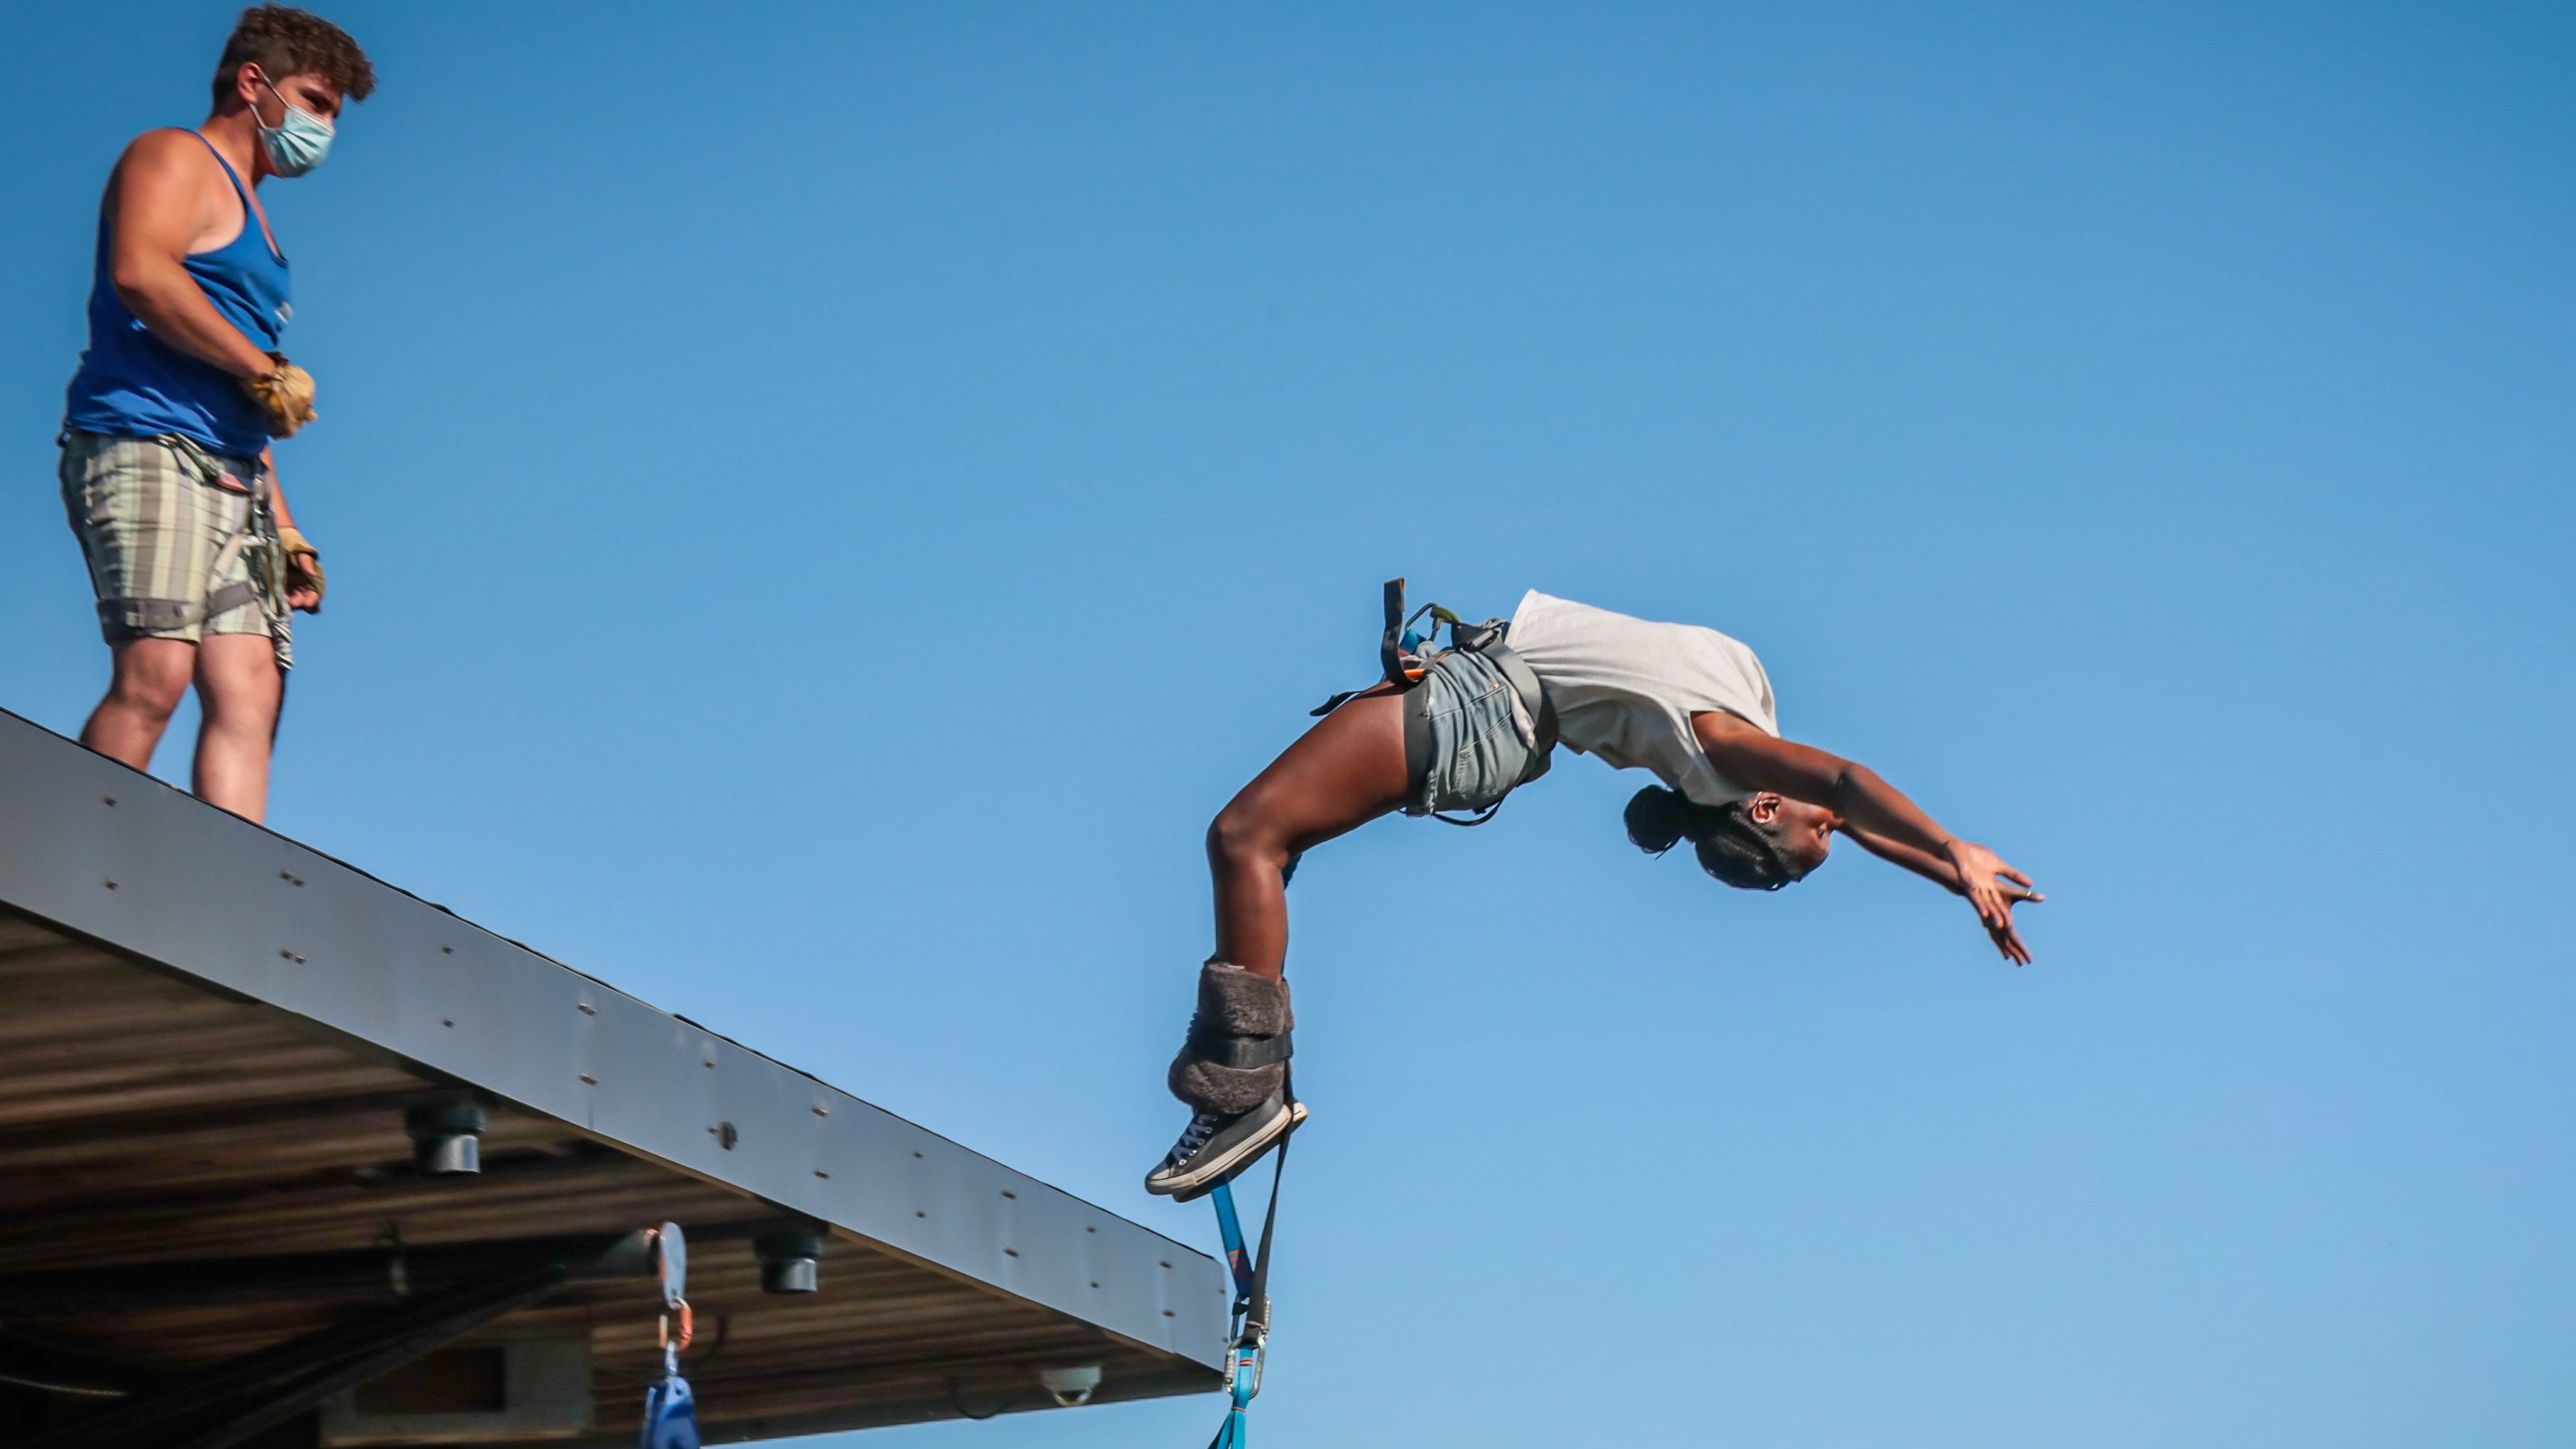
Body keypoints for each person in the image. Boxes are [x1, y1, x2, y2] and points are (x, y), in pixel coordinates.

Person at [1146, 587, 2043, 1198]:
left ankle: (1242, 1090)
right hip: (1485, 701)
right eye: (1830, 838)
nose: (1837, 829)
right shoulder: (1745, 732)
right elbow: (1859, 814)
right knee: (1266, 843)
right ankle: (1247, 1070)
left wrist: (1949, 844)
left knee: (1245, 835)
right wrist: (1951, 874)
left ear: (1765, 806)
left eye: (1822, 837)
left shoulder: (1728, 747)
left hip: (1480, 707)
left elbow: (1846, 785)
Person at [57, 6, 374, 822]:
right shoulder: (174, 156)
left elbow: (250, 397)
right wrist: (264, 366)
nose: (323, 129)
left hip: (237, 474)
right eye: (315, 102)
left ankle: (233, 878)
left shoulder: (262, 233)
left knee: (249, 687)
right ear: (254, 83)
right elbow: (140, 271)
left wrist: (289, 527)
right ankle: (84, 856)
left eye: (333, 115)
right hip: (146, 440)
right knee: (156, 673)